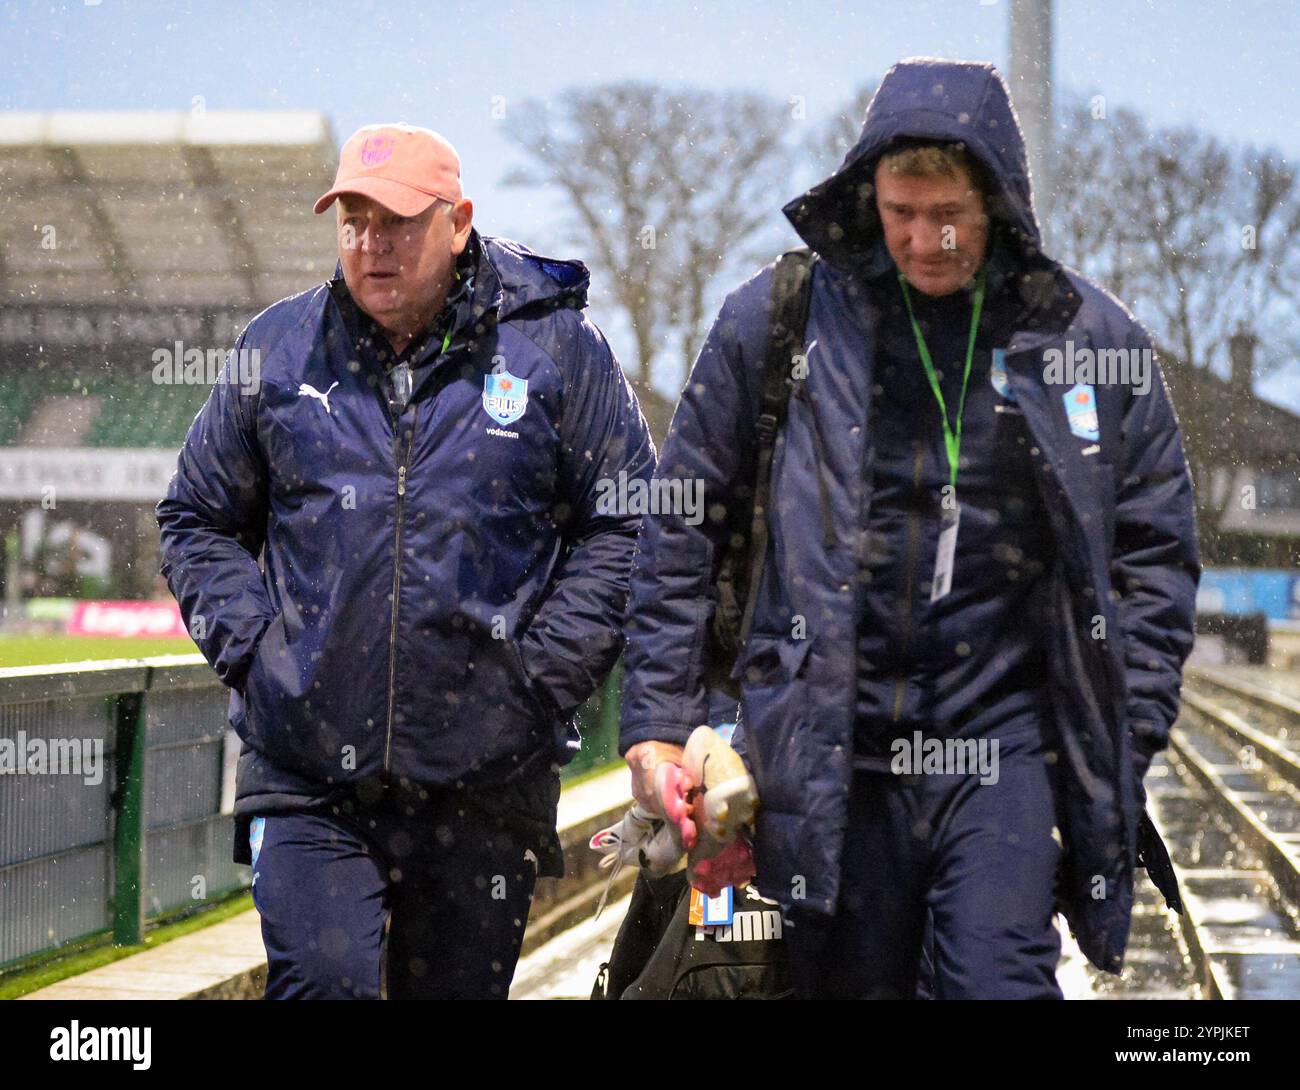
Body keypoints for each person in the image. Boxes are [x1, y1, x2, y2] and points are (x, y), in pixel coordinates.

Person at [618, 59, 1199, 999]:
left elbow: (1155, 555)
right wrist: (651, 725)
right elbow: (679, 524)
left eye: (951, 215)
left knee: (996, 981)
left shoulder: (1085, 339)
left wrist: (1116, 743)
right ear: (869, 198)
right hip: (828, 749)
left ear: (998, 202)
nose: (926, 241)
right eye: (901, 213)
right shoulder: (780, 318)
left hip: (1003, 747)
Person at [157, 123, 654, 999]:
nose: (369, 245)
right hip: (310, 771)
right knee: (325, 982)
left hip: (484, 782)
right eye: (352, 221)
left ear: (457, 222)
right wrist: (260, 658)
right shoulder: (278, 349)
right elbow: (195, 517)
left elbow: (630, 526)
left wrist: (537, 679)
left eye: (394, 223)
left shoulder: (557, 351)